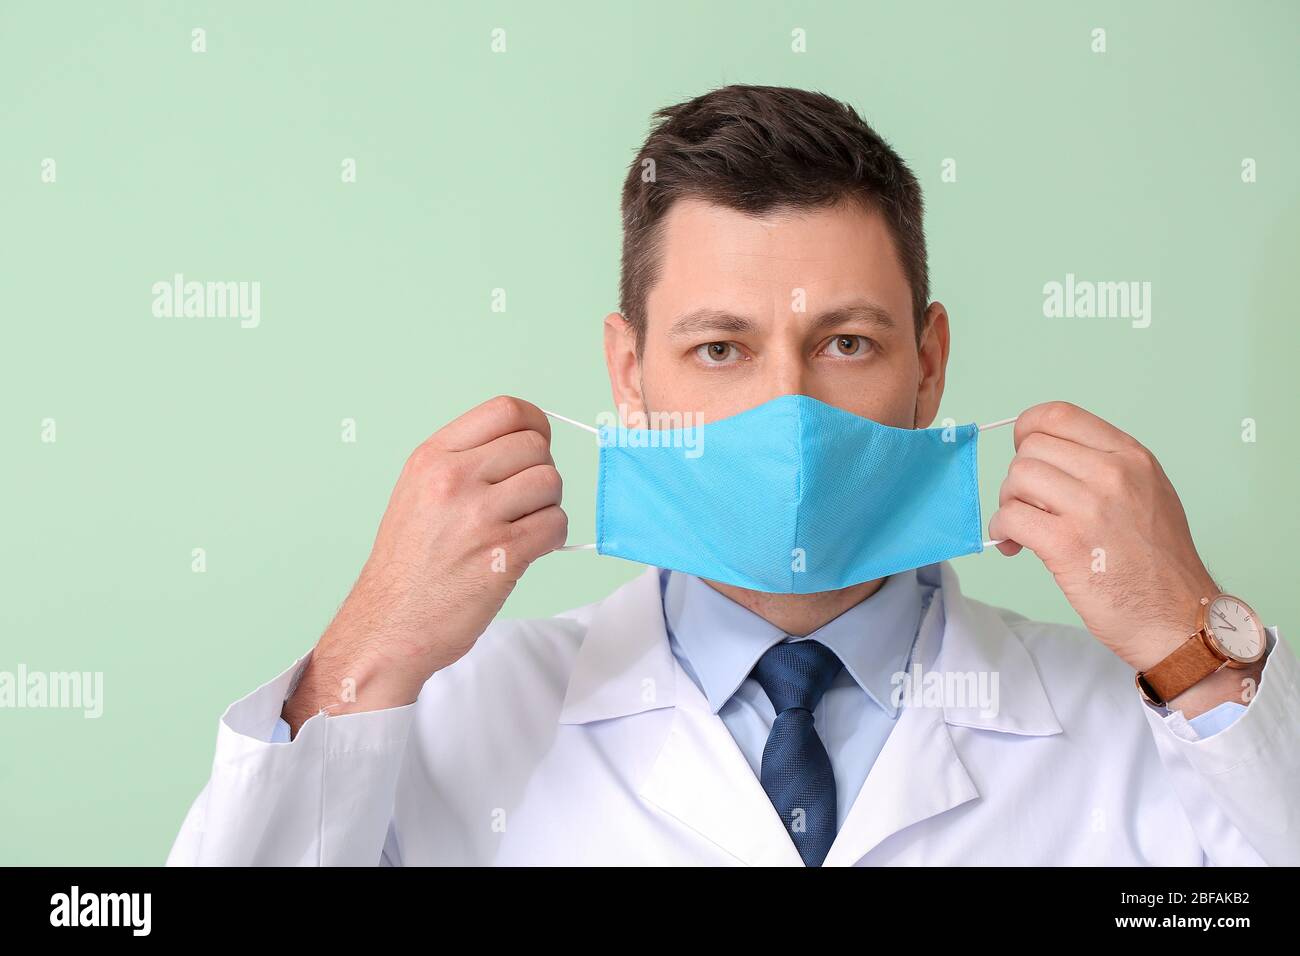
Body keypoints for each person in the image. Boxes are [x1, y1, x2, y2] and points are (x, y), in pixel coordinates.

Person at [167, 85, 1298, 866]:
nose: (787, 408)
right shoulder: (452, 719)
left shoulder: (1131, 725)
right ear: (629, 373)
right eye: (720, 348)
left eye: (846, 342)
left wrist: (1195, 641)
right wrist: (366, 652)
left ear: (931, 364)